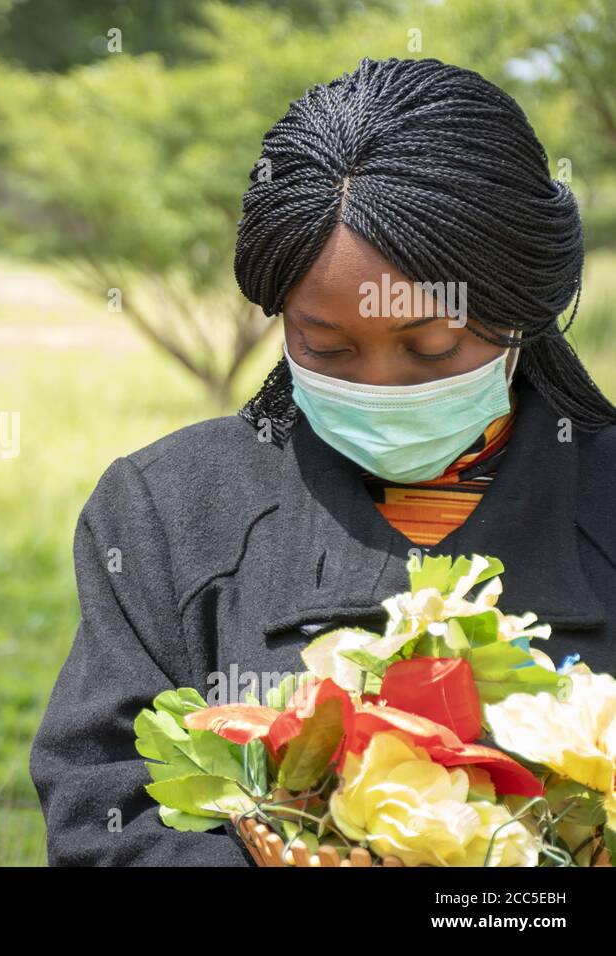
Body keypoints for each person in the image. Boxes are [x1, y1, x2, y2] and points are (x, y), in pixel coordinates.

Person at [30, 56, 616, 866]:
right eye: (325, 346)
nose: (380, 386)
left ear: (521, 313)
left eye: (431, 347)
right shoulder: (166, 512)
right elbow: (104, 821)